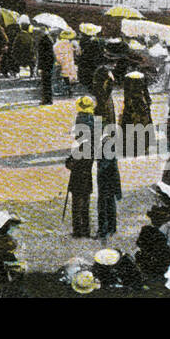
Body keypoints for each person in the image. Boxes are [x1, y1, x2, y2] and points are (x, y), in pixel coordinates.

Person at [68, 96, 96, 238]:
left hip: (79, 168)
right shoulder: (92, 119)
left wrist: (70, 161)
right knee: (85, 200)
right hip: (88, 164)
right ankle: (86, 228)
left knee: (77, 201)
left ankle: (78, 230)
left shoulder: (80, 119)